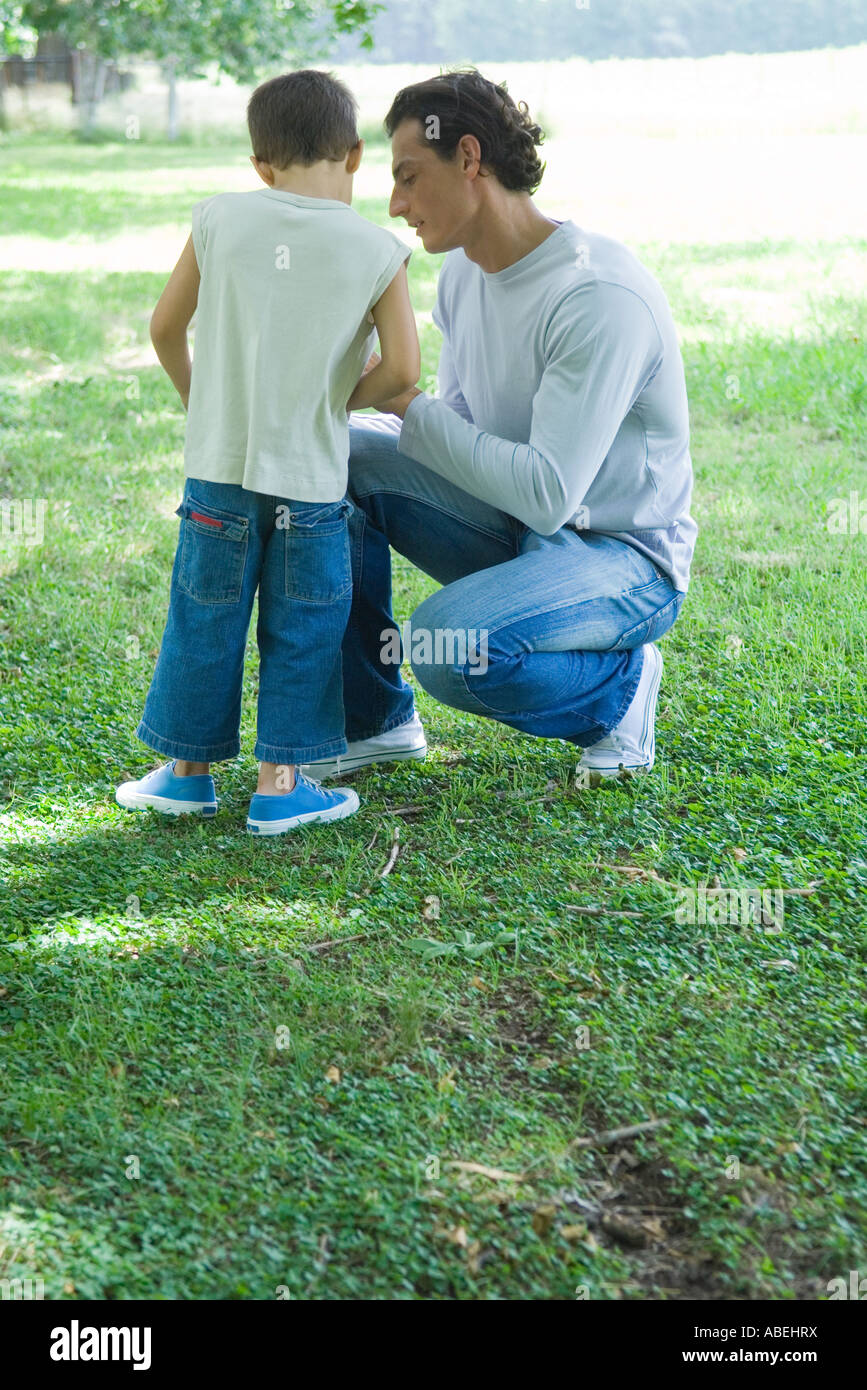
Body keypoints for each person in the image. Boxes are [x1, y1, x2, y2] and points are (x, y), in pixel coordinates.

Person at [300, 69, 696, 785]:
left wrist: (404, 403)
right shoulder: (463, 274)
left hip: (622, 556)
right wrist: (365, 393)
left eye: (409, 177)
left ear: (470, 159)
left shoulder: (593, 294)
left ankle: (622, 687)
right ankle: (376, 721)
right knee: (343, 459)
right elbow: (465, 433)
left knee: (449, 646)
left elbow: (546, 492)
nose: (395, 205)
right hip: (521, 530)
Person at [116, 69, 419, 834]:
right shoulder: (377, 249)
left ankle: (185, 775)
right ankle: (282, 785)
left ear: (260, 162)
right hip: (310, 484)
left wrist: (209, 405)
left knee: (203, 614)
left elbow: (163, 328)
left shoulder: (219, 218)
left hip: (217, 473)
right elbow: (404, 374)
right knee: (305, 624)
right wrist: (322, 402)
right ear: (354, 154)